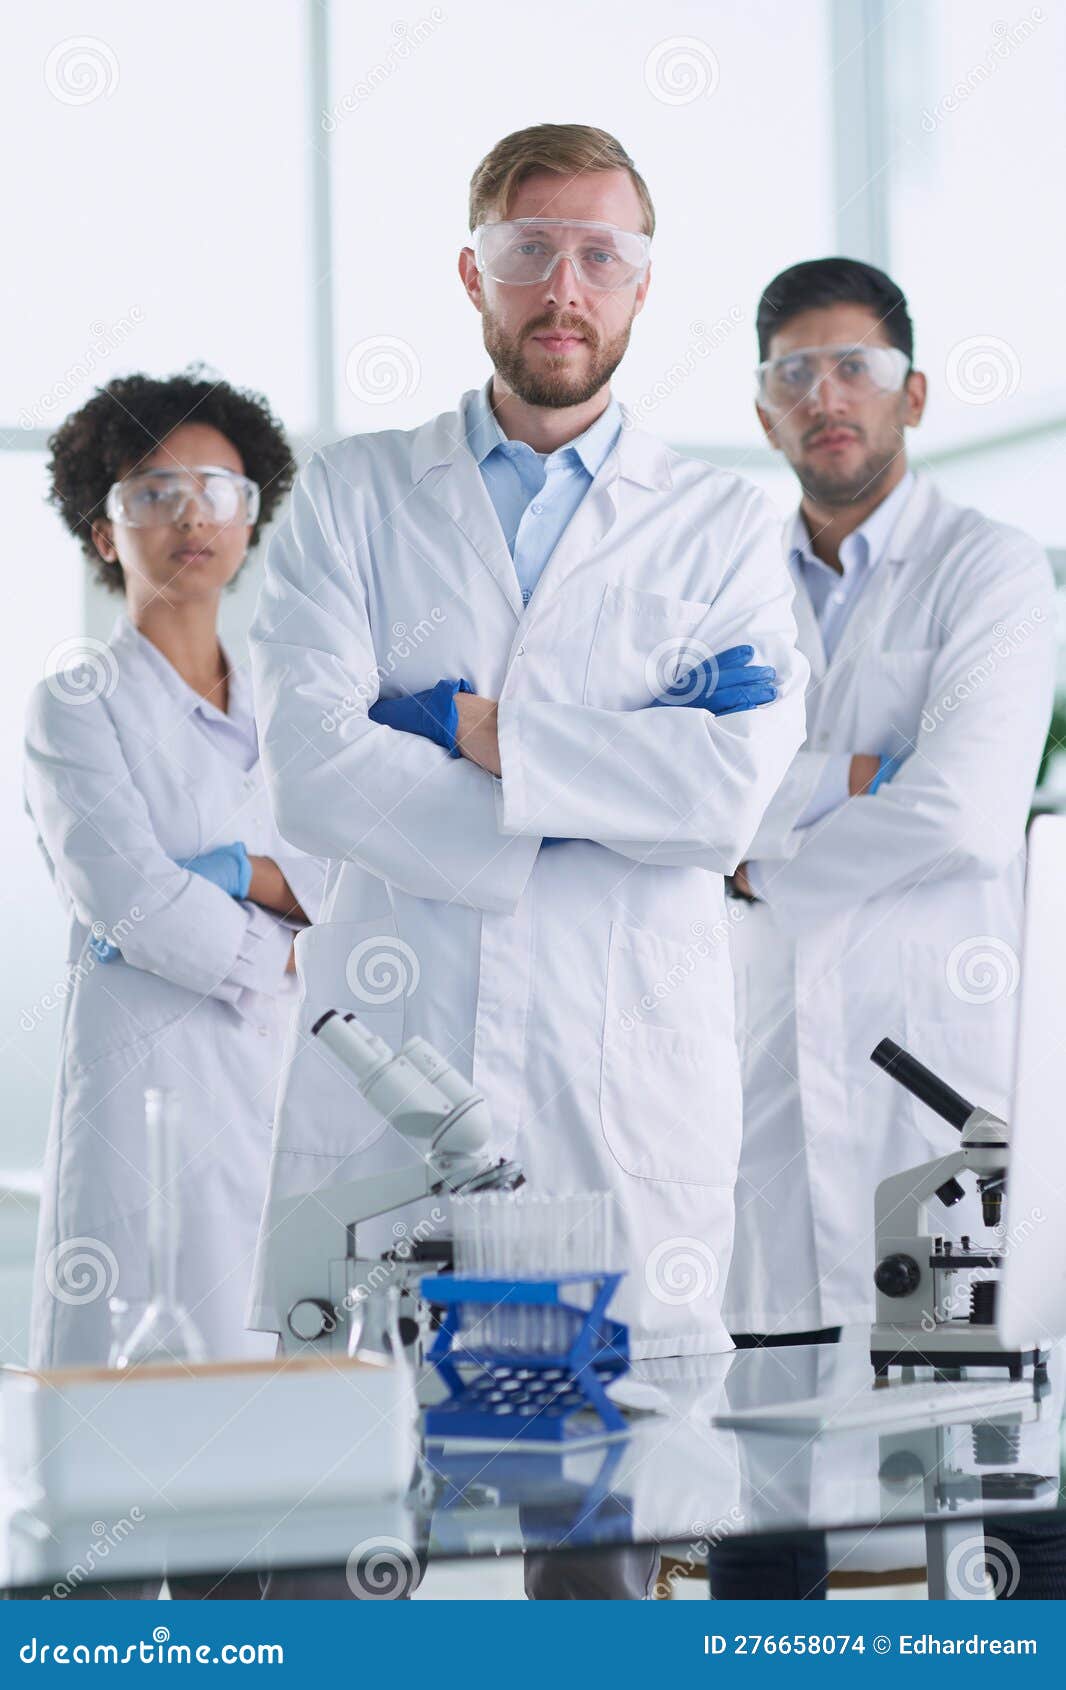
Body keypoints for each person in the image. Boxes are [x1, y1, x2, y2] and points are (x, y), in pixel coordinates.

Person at [245, 123, 807, 1600]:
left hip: (610, 1094)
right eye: (529, 250)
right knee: (333, 1535)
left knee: (600, 1543)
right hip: (391, 1077)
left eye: (600, 255)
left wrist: (484, 733)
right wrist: (616, 762)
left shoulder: (721, 530)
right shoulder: (354, 497)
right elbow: (310, 766)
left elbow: (726, 799)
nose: (564, 285)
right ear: (471, 271)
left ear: (640, 288)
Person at [710, 257, 1057, 1599]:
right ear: (760, 412)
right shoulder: (721, 582)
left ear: (909, 390)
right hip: (759, 1092)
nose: (823, 393)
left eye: (850, 364)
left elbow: (965, 810)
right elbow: (672, 798)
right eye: (792, 372)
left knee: (979, 1479)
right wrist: (853, 776)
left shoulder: (987, 569)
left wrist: (760, 845)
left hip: (937, 1092)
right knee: (759, 1483)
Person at [24, 370, 326, 1382]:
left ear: (251, 518)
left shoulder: (294, 707)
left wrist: (251, 876)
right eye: (153, 491)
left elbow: (357, 887)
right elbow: (130, 897)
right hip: (144, 1101)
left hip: (288, 1098)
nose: (190, 513)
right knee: (143, 1426)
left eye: (217, 489)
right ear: (104, 531)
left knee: (296, 1436)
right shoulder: (76, 703)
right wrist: (281, 941)